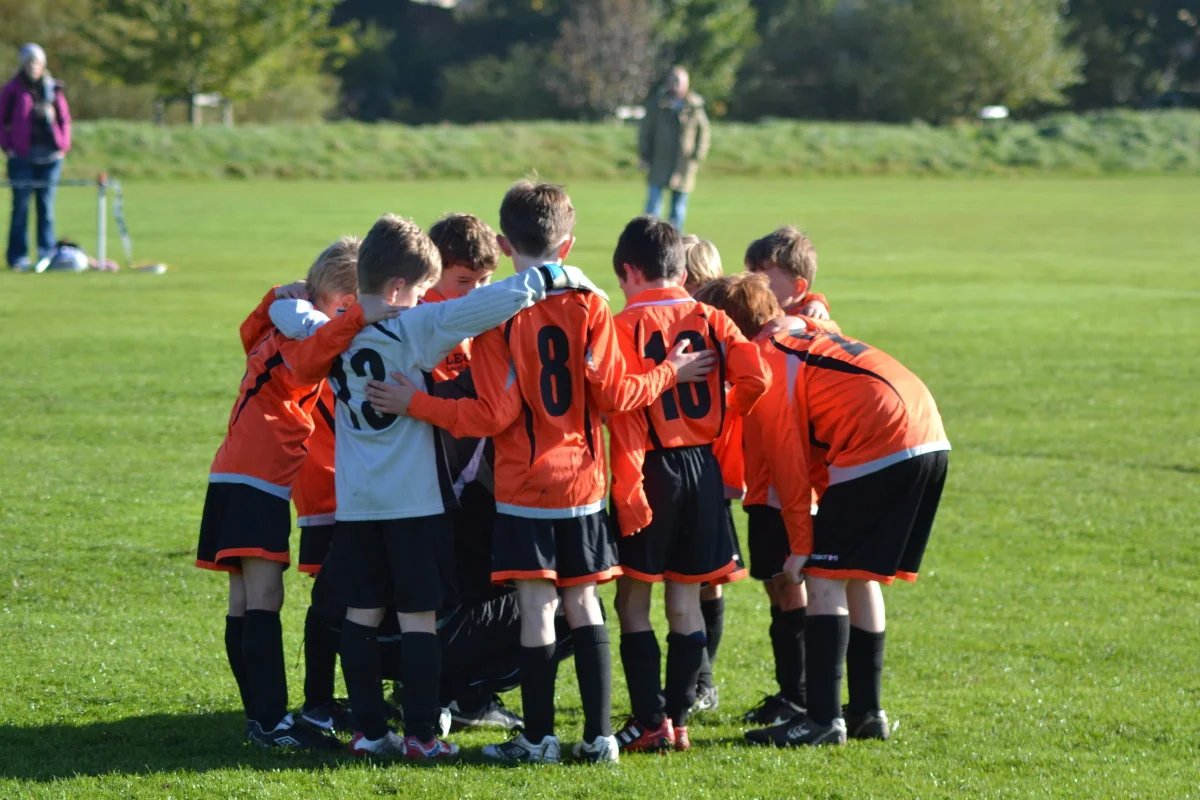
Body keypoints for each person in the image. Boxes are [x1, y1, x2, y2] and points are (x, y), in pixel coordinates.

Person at [377, 182, 716, 765]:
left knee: (537, 607)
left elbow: (494, 413)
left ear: (505, 245)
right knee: (584, 605)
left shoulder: (498, 314)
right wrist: (668, 372)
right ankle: (601, 737)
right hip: (583, 481)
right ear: (569, 244)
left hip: (526, 486)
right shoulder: (592, 303)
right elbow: (613, 393)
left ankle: (537, 740)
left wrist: (418, 403)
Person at [310, 212, 607, 760]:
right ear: (398, 288)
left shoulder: (330, 335)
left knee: (362, 615)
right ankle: (423, 736)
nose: (427, 299)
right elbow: (482, 307)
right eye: (422, 289)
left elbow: (292, 317)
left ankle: (369, 733)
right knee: (419, 616)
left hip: (356, 504)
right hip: (414, 504)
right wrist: (553, 277)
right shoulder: (411, 327)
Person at [701, 273, 950, 747]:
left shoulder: (772, 363)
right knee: (859, 575)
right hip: (929, 433)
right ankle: (866, 713)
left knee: (824, 575)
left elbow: (792, 469)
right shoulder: (804, 331)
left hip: (882, 441)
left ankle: (819, 720)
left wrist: (800, 546)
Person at [195, 239, 390, 751]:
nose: (353, 317)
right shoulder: (302, 335)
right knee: (264, 597)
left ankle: (260, 718)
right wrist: (355, 318)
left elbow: (252, 328)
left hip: (236, 472)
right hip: (257, 475)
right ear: (333, 299)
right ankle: (271, 722)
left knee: (244, 600)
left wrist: (277, 299)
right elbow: (316, 351)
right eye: (348, 306)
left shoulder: (285, 319)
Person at [605, 216, 768, 753]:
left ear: (628, 271)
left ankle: (649, 719)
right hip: (703, 468)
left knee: (632, 598)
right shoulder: (712, 316)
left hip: (649, 467)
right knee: (686, 599)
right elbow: (757, 378)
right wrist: (724, 413)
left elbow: (616, 397)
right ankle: (677, 720)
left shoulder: (620, 325)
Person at [1, 43, 70, 270]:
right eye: (29, 62)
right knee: (20, 207)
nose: (33, 66)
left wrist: (63, 145)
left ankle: (46, 253)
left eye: (37, 62)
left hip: (50, 157)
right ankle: (17, 256)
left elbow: (64, 119)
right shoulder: (12, 90)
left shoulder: (53, 89)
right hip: (21, 157)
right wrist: (8, 146)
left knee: (46, 207)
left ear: (43, 65)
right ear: (23, 64)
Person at [639, 66, 710, 233]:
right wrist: (644, 154)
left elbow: (704, 132)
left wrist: (698, 154)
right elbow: (646, 130)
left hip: (683, 163)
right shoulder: (658, 104)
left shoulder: (694, 106)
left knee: (678, 207)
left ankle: (674, 240)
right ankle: (648, 237)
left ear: (687, 83)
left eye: (679, 81)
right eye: (673, 80)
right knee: (653, 204)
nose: (675, 85)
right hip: (660, 160)